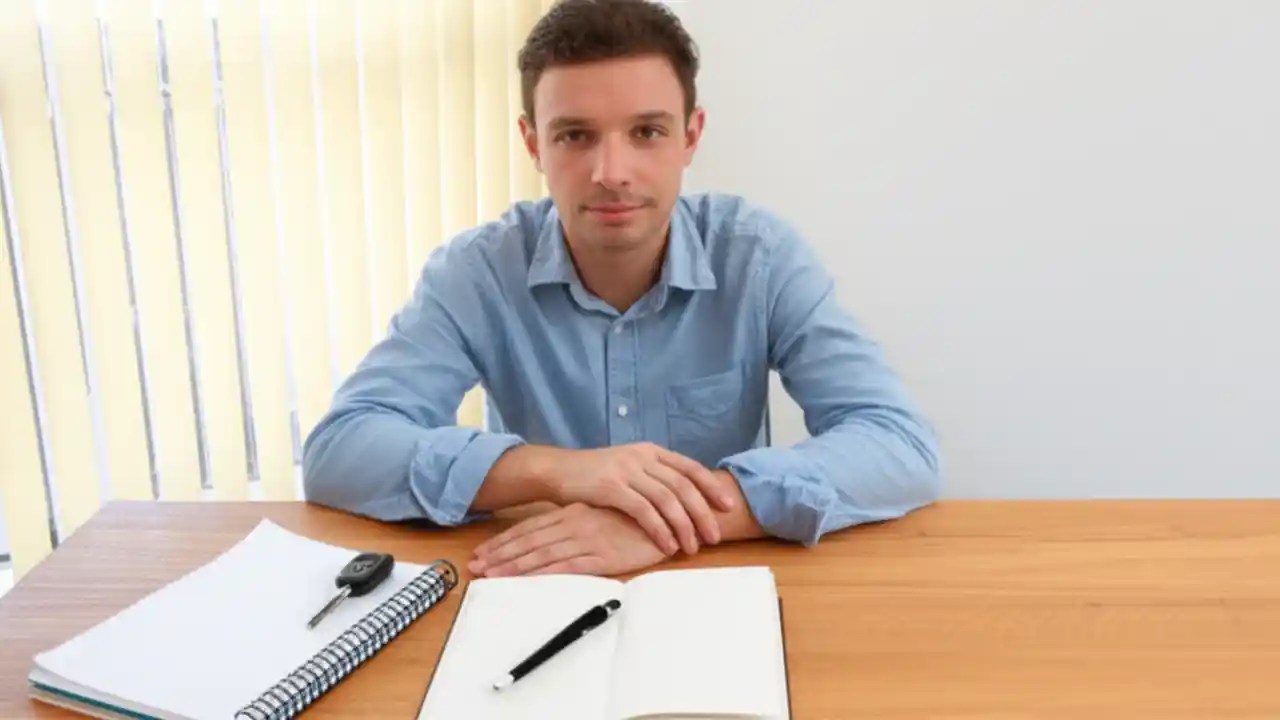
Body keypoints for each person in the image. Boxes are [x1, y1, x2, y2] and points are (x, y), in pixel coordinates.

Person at [302, 0, 940, 579]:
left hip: (717, 580)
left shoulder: (760, 257)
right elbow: (341, 450)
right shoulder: (475, 272)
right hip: (537, 581)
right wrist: (555, 471)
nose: (611, 173)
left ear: (691, 136)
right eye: (575, 135)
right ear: (533, 143)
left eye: (647, 132)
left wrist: (670, 521)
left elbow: (896, 444)